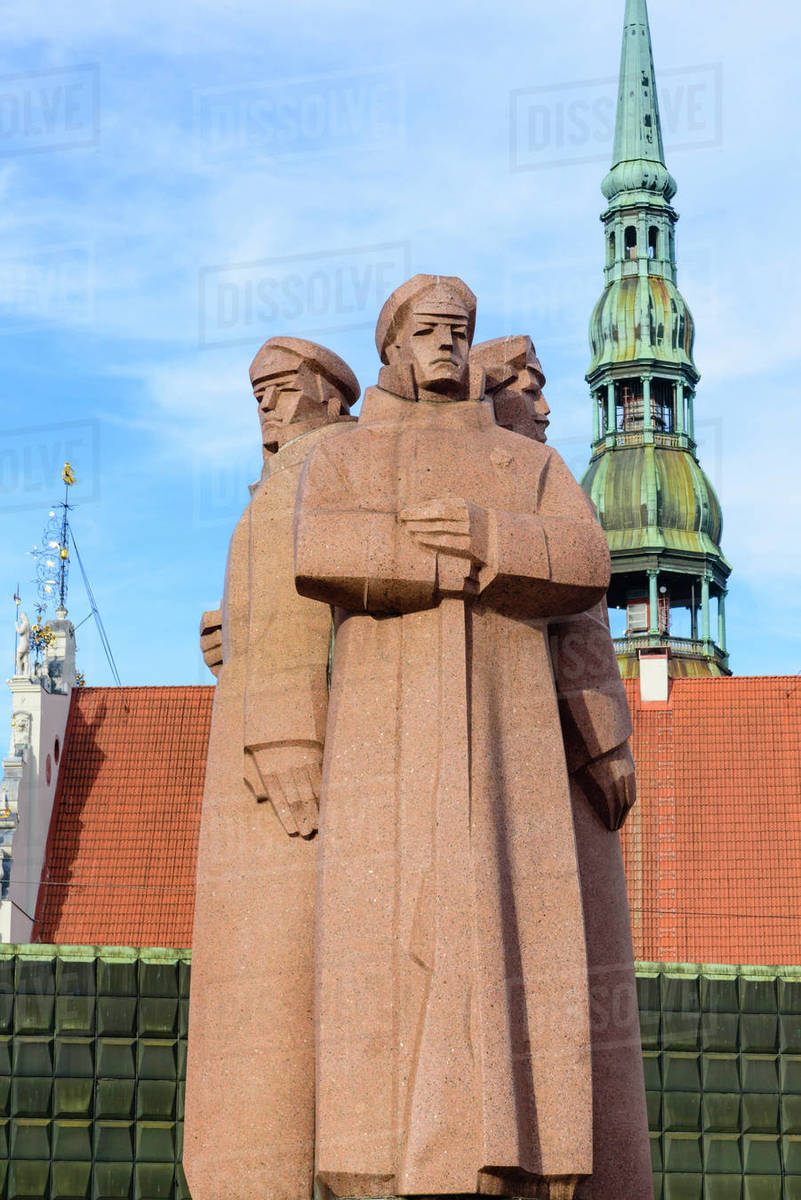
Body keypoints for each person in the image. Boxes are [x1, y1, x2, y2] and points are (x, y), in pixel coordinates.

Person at [294, 275, 614, 1200]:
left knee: (510, 936)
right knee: (386, 942)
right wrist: (436, 567)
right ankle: (377, 1157)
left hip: (509, 746)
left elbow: (587, 563)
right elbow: (319, 551)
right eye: (426, 332)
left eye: (458, 332)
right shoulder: (349, 458)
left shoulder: (527, 467)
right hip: (381, 737)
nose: (444, 345)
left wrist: (484, 539)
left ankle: (524, 1154)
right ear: (392, 346)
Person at [472, 333, 653, 1197]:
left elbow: (582, 625)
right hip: (493, 757)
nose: (544, 409)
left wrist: (604, 738)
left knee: (563, 965)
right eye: (526, 390)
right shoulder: (494, 482)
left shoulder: (545, 486)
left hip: (550, 768)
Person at [184, 336, 358, 1200]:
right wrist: (230, 638)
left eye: (284, 387)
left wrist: (286, 722)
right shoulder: (284, 474)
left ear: (331, 394)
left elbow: (309, 600)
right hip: (252, 747)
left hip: (283, 766)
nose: (266, 404)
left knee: (280, 982)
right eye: (257, 391)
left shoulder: (323, 464)